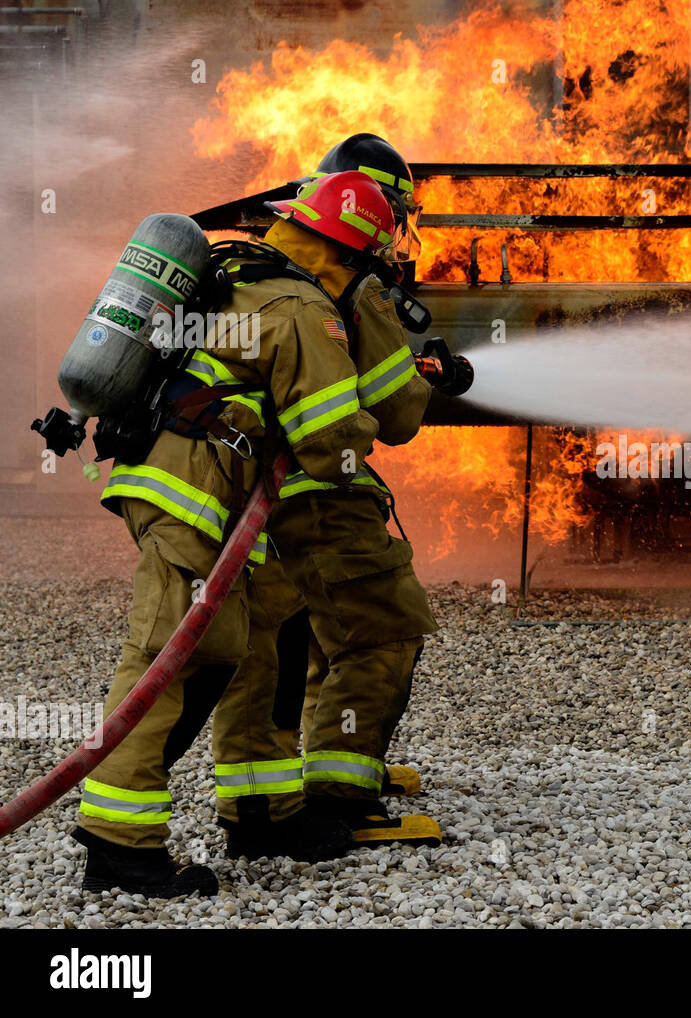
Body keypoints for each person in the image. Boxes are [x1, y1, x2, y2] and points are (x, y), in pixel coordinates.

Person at [74, 170, 396, 897]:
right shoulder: (301, 306)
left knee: (231, 644)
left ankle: (261, 814)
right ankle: (115, 841)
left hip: (185, 490)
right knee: (164, 659)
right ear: (342, 255)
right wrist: (368, 434)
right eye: (362, 266)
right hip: (187, 495)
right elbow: (331, 437)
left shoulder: (232, 272)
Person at [212, 141, 441, 858]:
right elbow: (396, 415)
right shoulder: (352, 280)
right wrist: (424, 375)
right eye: (392, 216)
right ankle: (343, 796)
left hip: (242, 492)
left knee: (300, 637)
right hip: (320, 491)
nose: (394, 233)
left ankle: (294, 790)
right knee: (382, 628)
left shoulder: (253, 264)